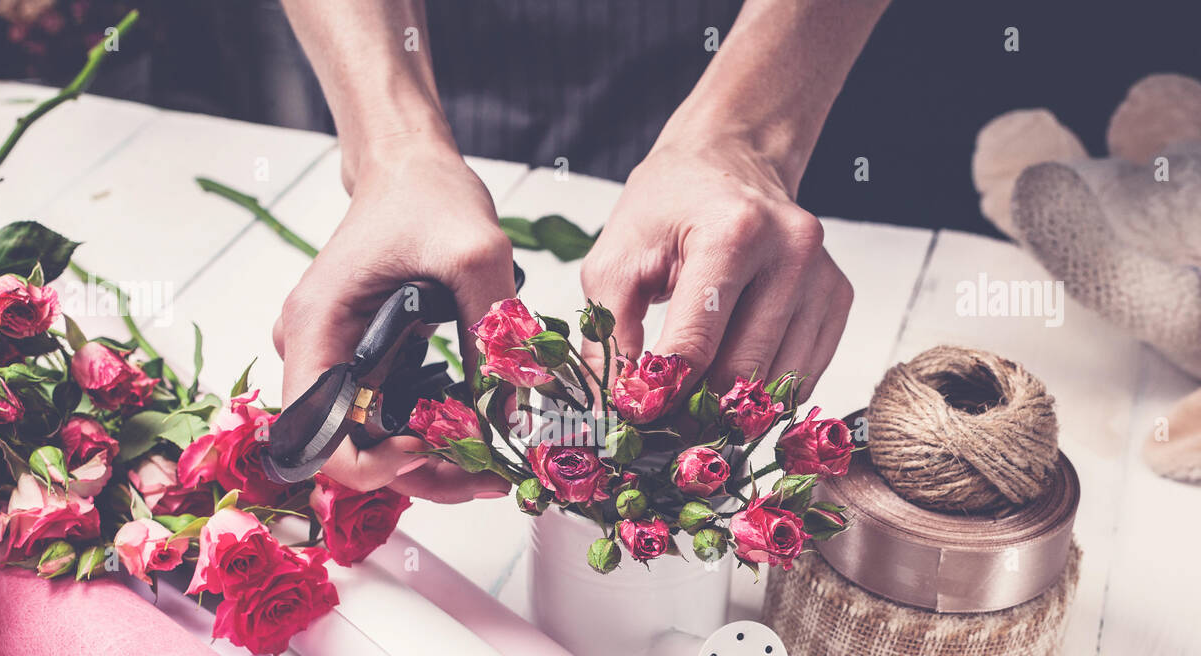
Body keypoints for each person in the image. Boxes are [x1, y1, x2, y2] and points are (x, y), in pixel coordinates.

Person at [275, 0, 888, 502]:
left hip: (786, 45)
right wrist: (395, 146)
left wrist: (748, 134)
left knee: (741, 277)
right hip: (453, 54)